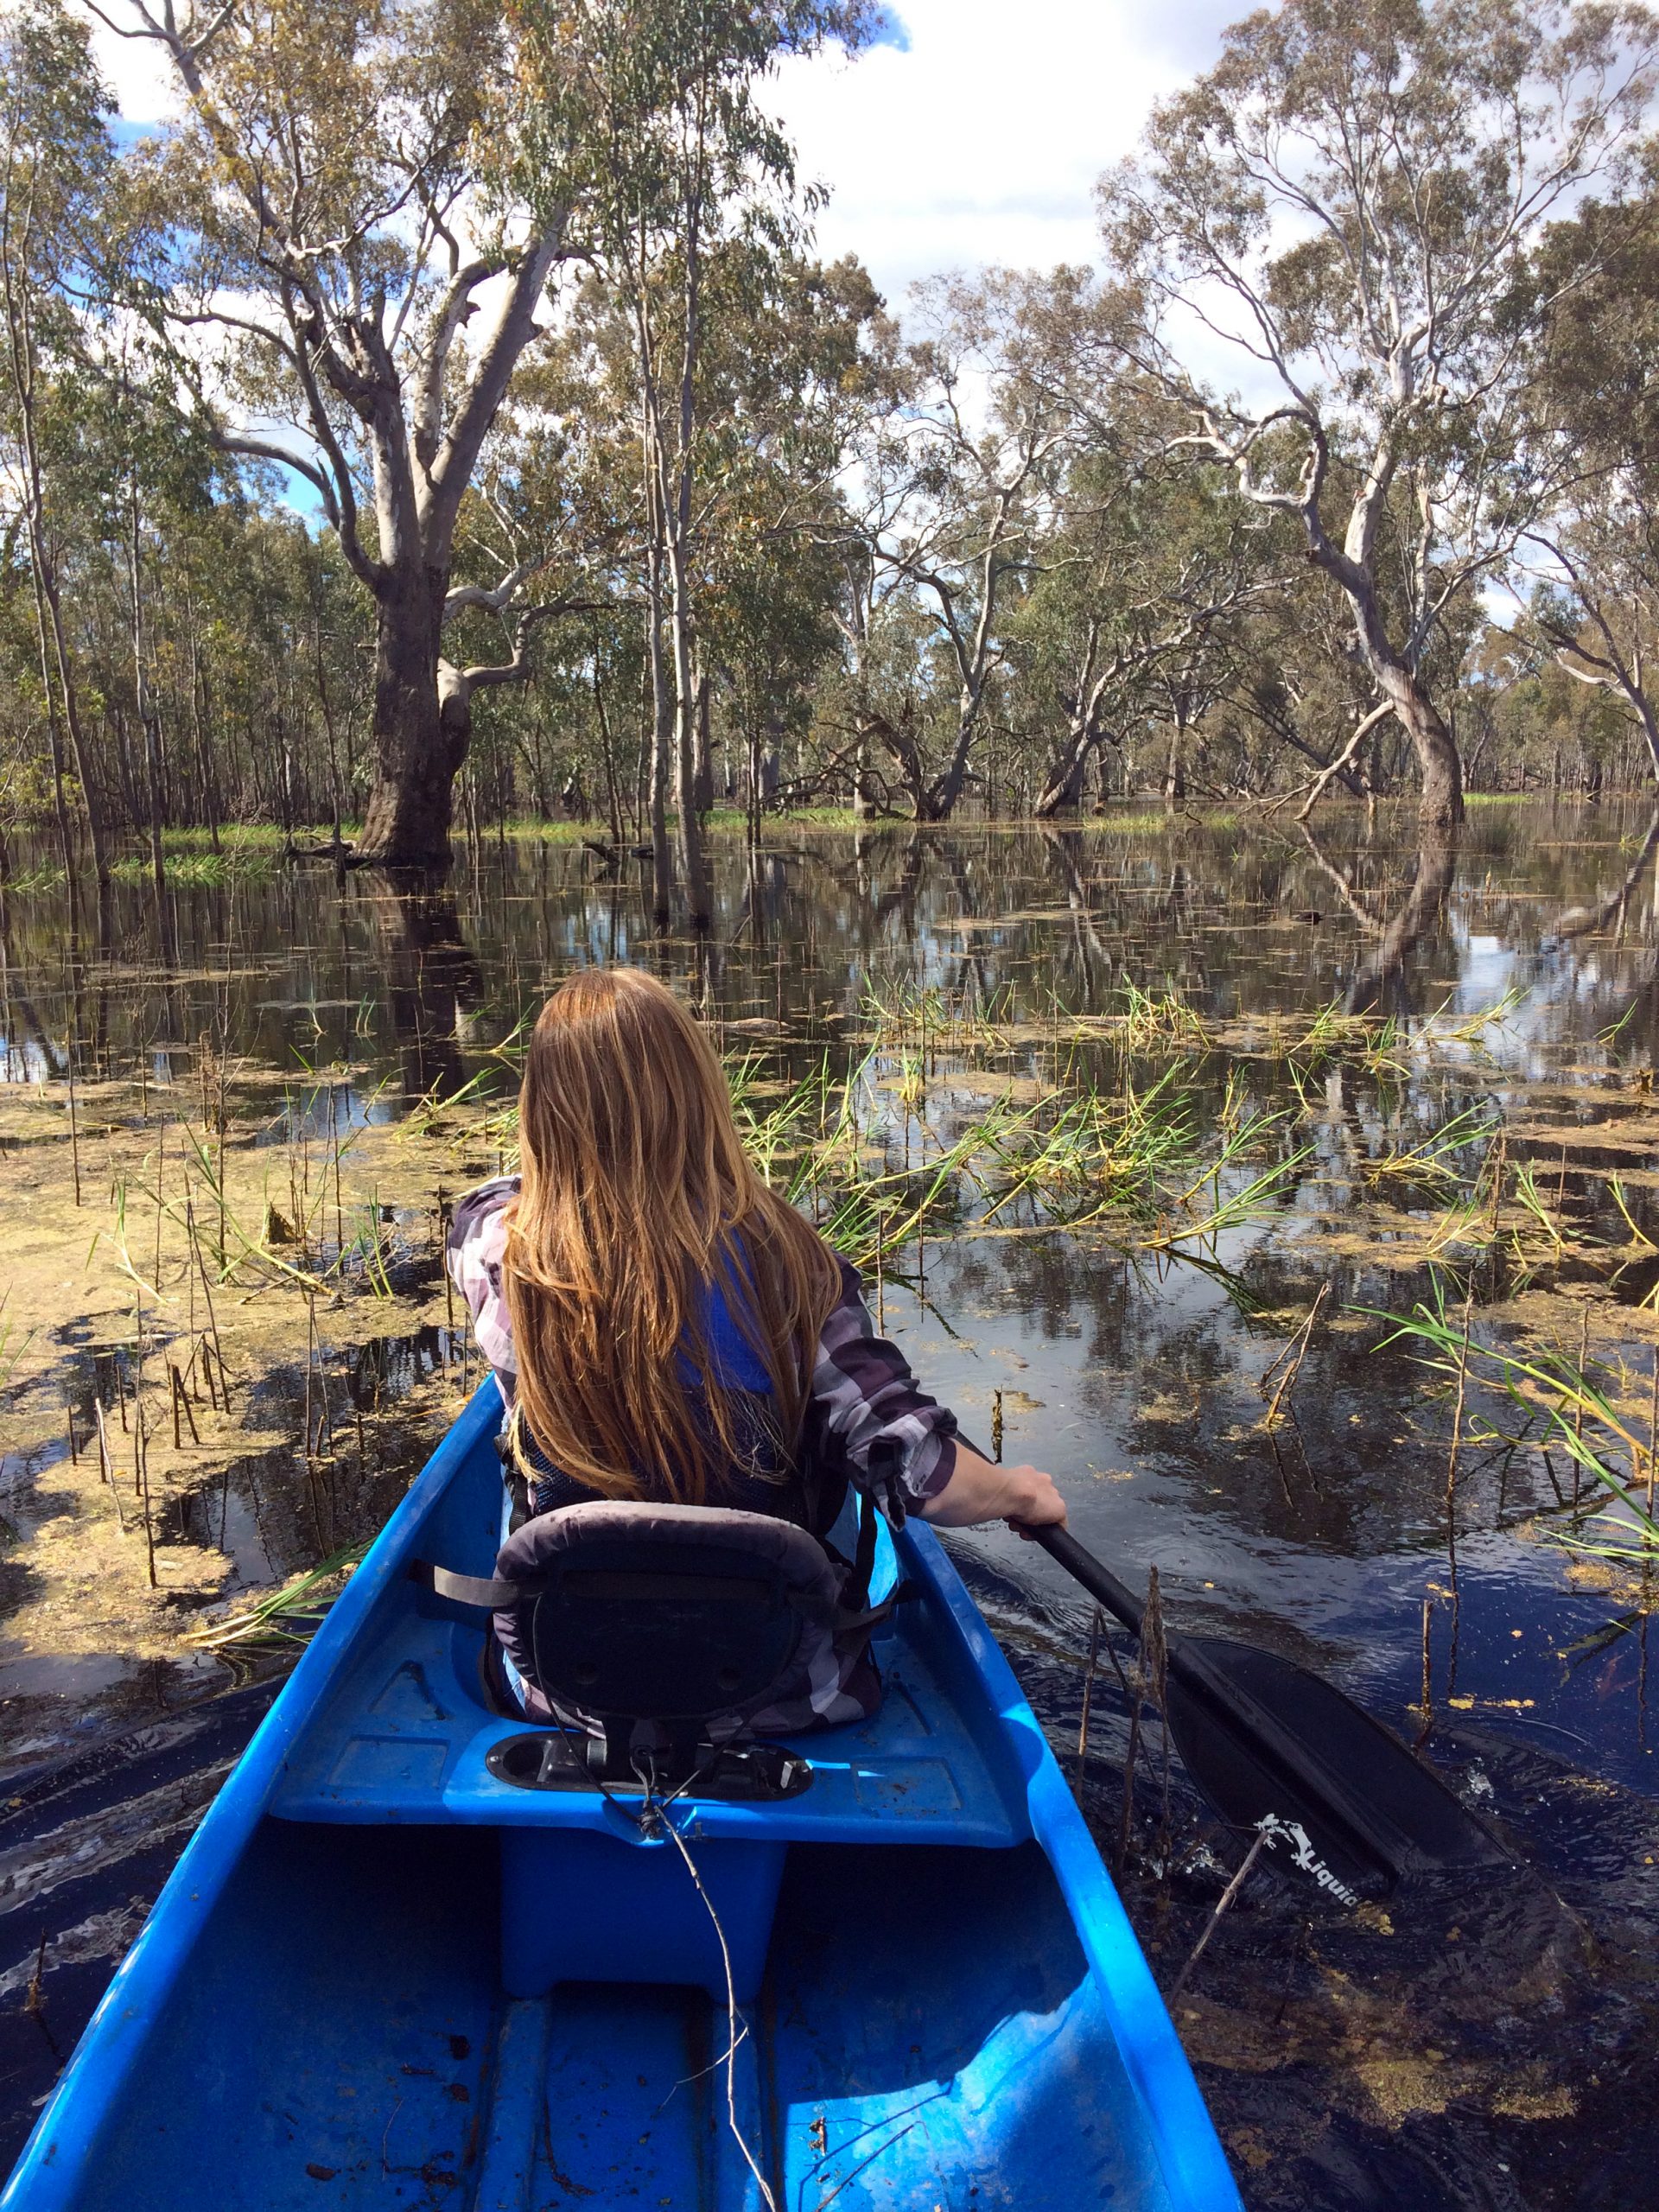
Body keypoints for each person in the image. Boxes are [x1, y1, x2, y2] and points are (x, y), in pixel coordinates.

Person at [446, 964, 1065, 1724]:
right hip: (783, 1695)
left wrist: (579, 1176)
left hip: (568, 1692)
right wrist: (1015, 1491)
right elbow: (922, 1470)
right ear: (699, 1097)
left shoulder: (494, 1251)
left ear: (543, 1112)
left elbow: (487, 1201)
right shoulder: (792, 1267)